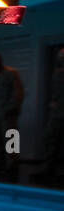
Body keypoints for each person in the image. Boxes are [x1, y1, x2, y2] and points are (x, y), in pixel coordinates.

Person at [0, 52, 24, 175]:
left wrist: (13, 107)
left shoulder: (11, 73)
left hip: (8, 112)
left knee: (11, 138)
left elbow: (18, 92)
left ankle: (12, 163)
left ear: (0, 61)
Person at [32, 48, 64, 184]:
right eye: (60, 56)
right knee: (49, 139)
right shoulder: (57, 73)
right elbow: (56, 92)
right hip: (57, 112)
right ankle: (49, 169)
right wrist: (53, 101)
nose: (61, 59)